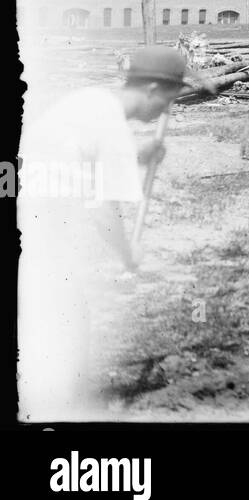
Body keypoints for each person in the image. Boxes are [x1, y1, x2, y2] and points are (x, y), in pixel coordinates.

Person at [17, 46, 206, 420]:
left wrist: (137, 156)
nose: (167, 109)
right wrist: (127, 253)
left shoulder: (93, 103)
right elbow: (103, 209)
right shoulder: (112, 124)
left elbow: (81, 162)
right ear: (152, 89)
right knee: (64, 318)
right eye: (169, 99)